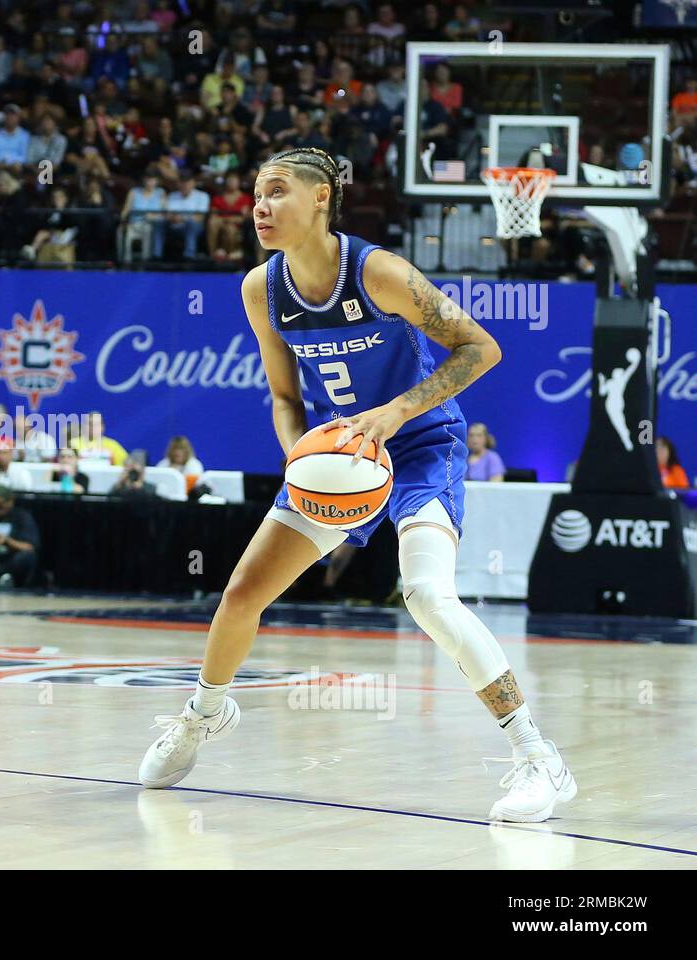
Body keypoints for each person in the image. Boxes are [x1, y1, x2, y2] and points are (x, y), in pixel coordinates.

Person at [138, 147, 576, 824]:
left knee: (428, 595)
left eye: (277, 191)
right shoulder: (262, 288)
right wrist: (296, 455)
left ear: (321, 198)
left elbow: (481, 349)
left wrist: (397, 411)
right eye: (255, 193)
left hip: (422, 445)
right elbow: (285, 398)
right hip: (340, 459)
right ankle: (203, 715)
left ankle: (538, 756)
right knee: (241, 593)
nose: (259, 205)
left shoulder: (379, 273)